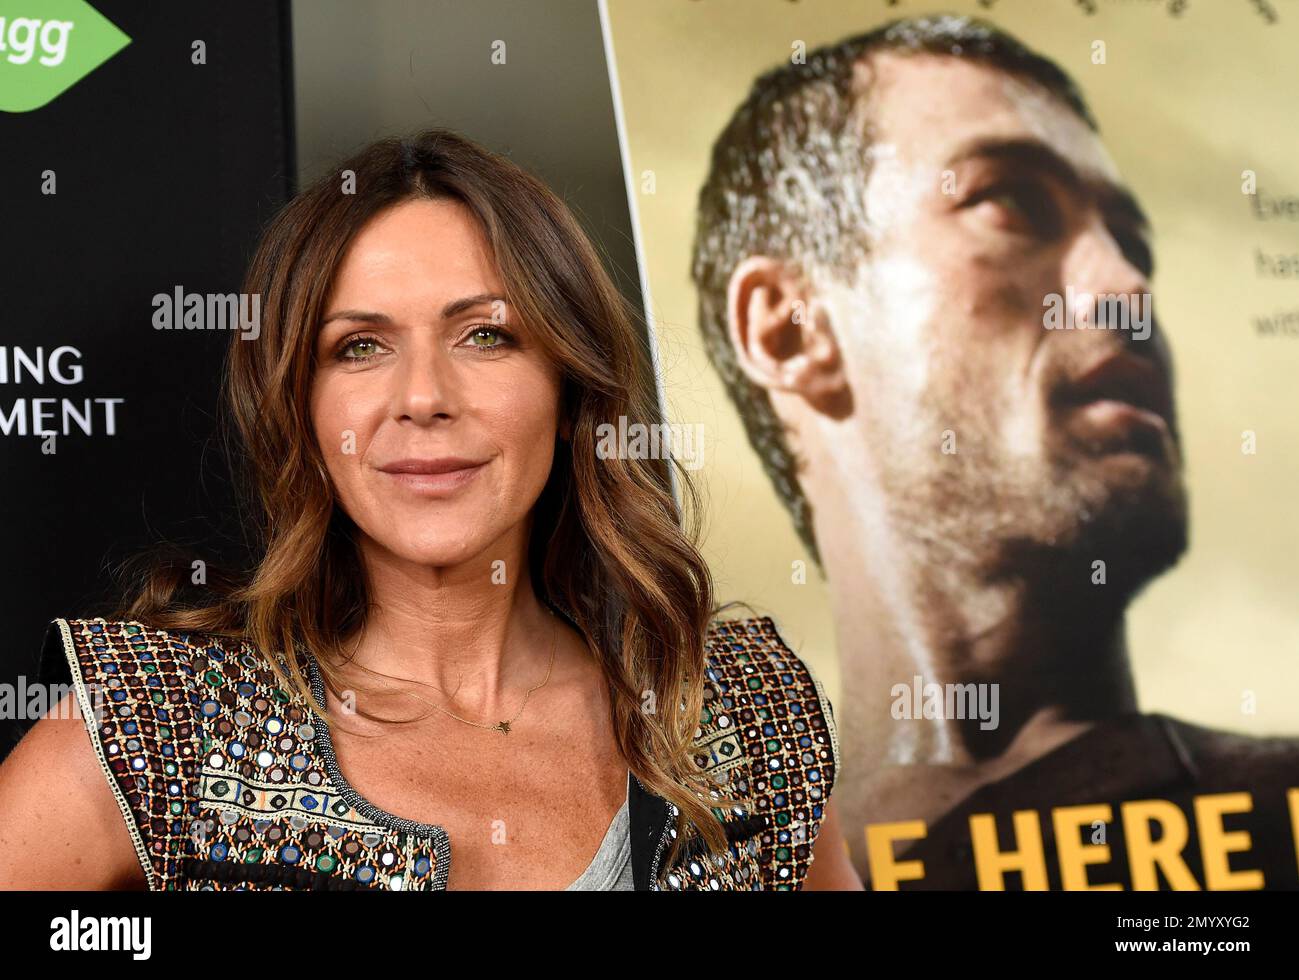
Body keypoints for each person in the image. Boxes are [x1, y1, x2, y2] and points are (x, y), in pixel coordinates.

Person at [0, 129, 858, 891]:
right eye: (360, 347)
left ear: (569, 389)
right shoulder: (159, 731)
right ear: (301, 406)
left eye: (485, 334)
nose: (423, 398)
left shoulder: (740, 713)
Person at [691, 14, 1299, 889]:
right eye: (1012, 200)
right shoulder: (704, 849)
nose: (1128, 289)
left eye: (1136, 246)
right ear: (790, 330)